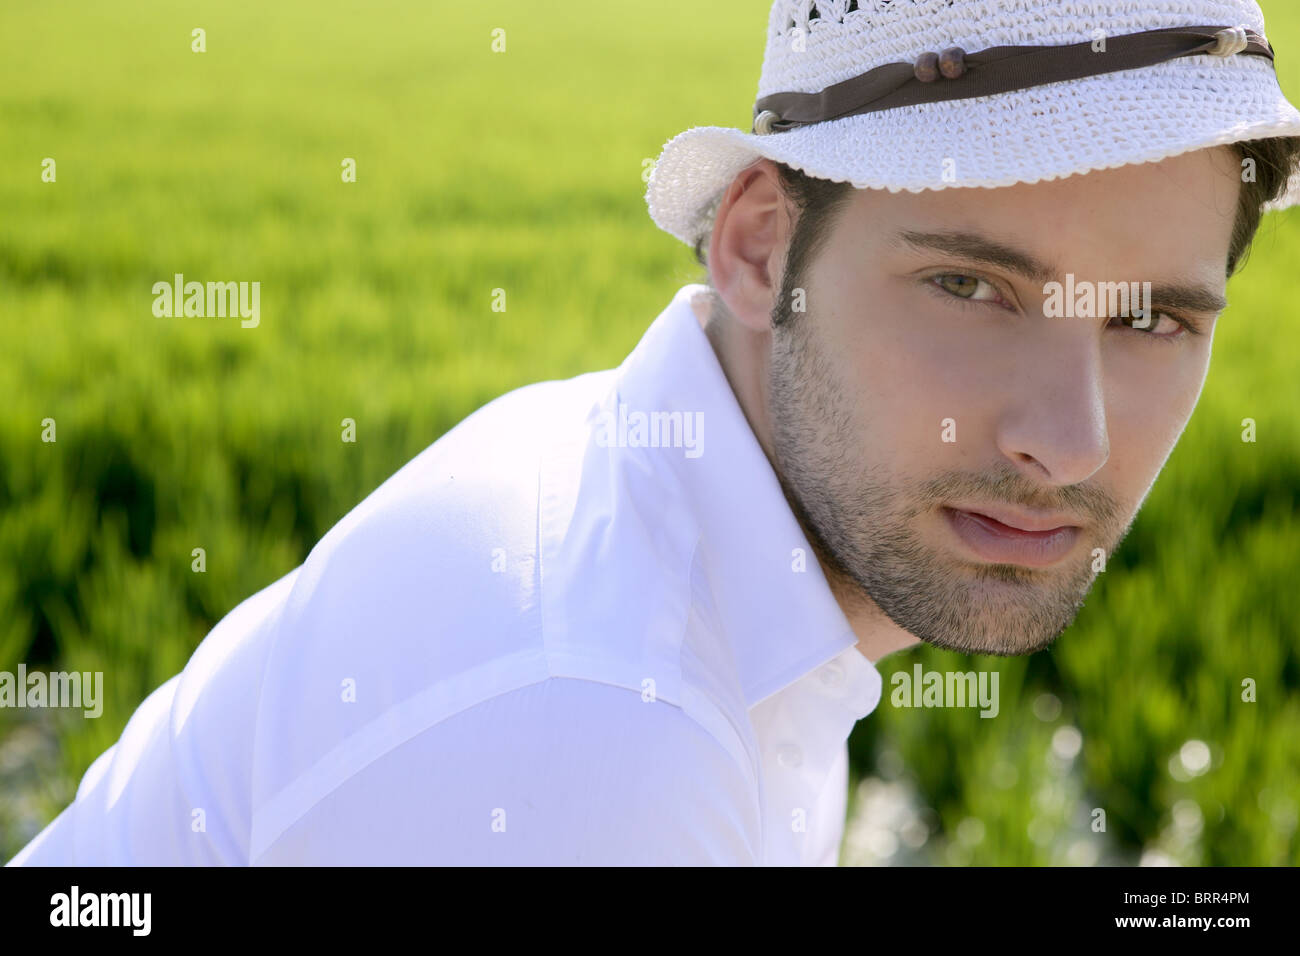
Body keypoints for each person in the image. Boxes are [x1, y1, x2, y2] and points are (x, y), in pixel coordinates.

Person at [10, 0, 1300, 866]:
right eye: (971, 288)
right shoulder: (593, 728)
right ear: (758, 245)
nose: (1069, 442)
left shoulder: (643, 517)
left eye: (1153, 322)